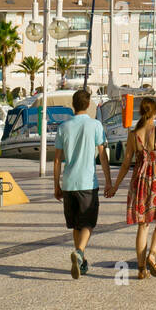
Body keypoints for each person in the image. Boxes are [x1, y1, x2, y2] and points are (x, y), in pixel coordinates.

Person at [109, 97, 156, 279]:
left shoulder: (132, 134)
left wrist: (115, 186)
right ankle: (152, 254)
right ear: (154, 112)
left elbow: (126, 163)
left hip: (139, 180)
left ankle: (141, 268)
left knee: (142, 225)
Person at [53, 88, 112, 280]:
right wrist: (108, 182)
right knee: (88, 223)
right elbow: (102, 155)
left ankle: (82, 260)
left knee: (77, 225)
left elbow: (56, 160)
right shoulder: (95, 125)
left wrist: (56, 185)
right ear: (88, 105)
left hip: (69, 182)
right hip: (87, 182)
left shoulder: (63, 127)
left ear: (73, 105)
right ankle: (79, 252)